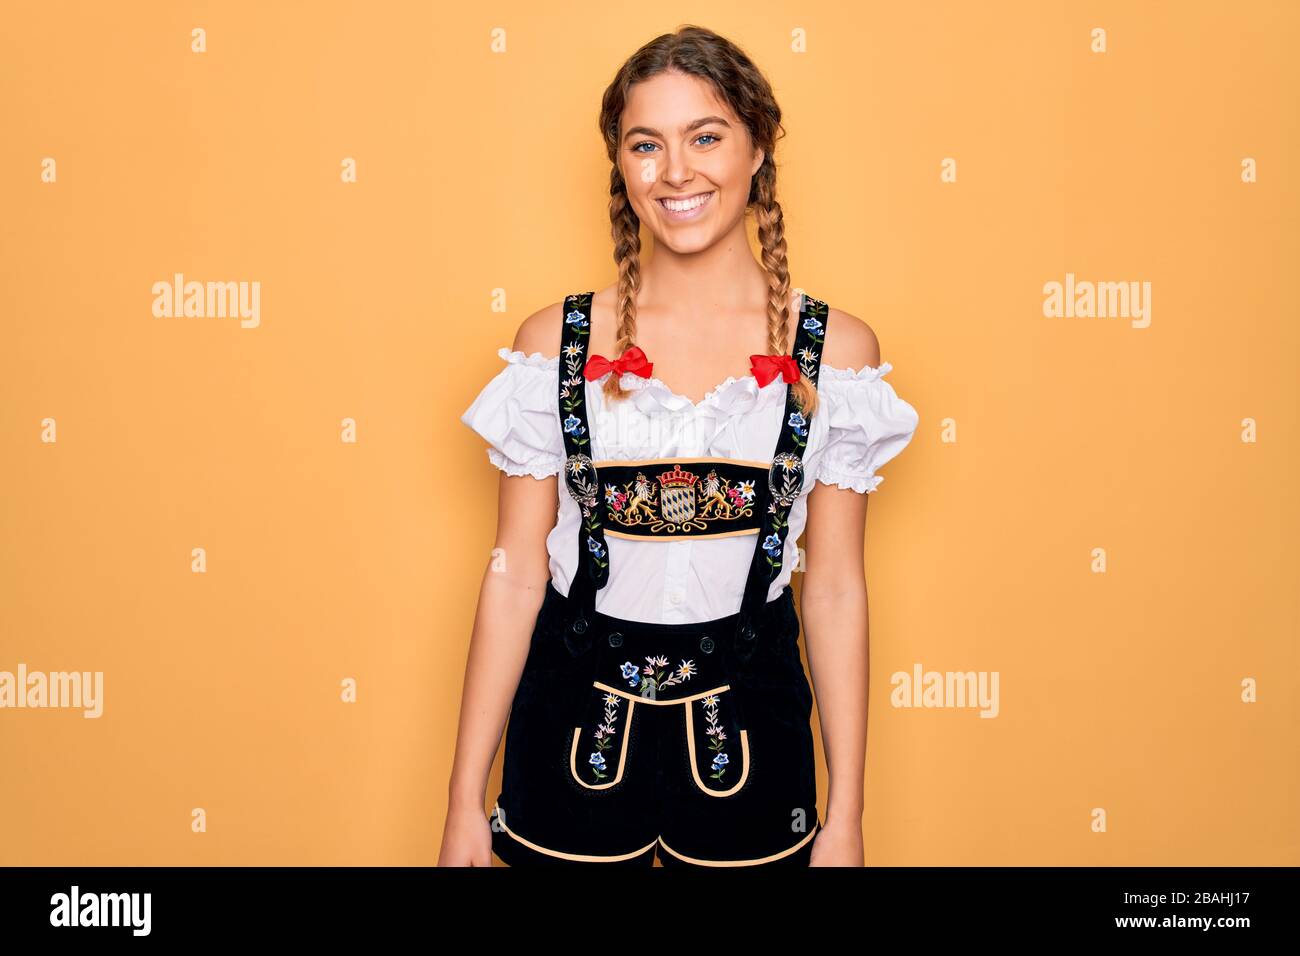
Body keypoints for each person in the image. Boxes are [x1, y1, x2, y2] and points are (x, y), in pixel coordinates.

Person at [438, 25, 919, 867]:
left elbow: (835, 588)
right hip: (564, 747)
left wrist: (846, 817)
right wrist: (461, 809)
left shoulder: (834, 352)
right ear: (621, 166)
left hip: (757, 757)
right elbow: (515, 575)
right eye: (645, 144)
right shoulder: (556, 343)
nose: (676, 171)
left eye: (706, 137)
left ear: (758, 148)